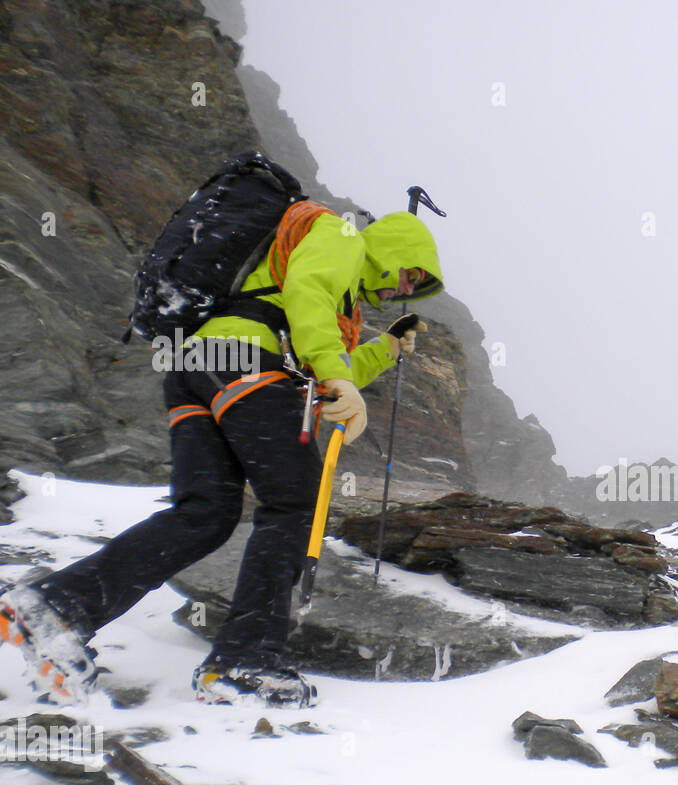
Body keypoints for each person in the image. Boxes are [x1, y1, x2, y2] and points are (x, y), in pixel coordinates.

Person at [0, 207, 442, 709]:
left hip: (198, 366)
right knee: (295, 503)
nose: (401, 289)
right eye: (408, 273)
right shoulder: (342, 237)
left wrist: (383, 349)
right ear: (394, 248)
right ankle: (243, 661)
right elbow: (308, 295)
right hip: (246, 364)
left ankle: (56, 606)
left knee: (205, 513)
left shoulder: (333, 296)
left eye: (414, 289)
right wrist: (337, 377)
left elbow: (314, 356)